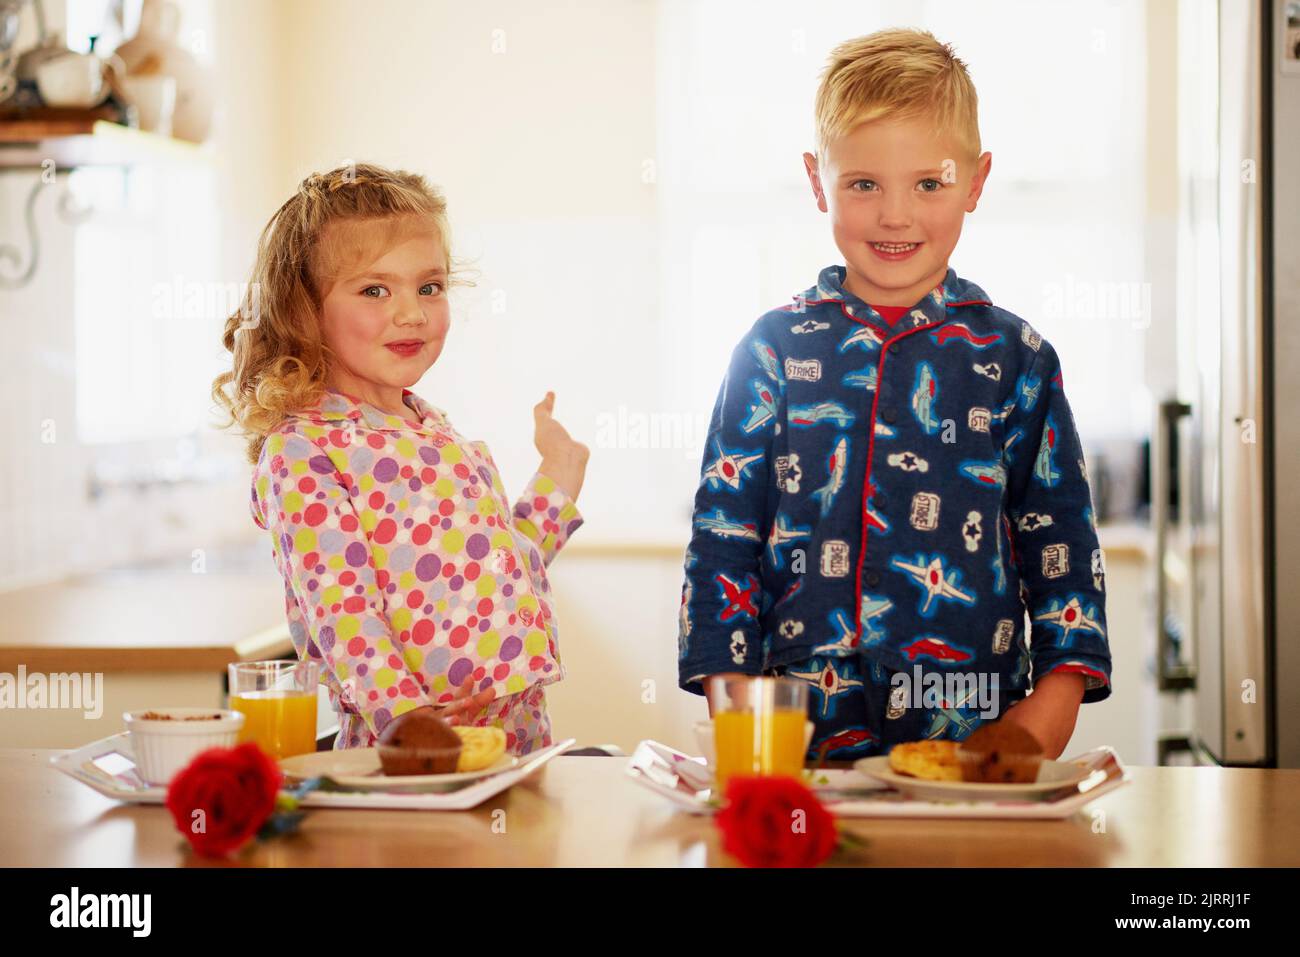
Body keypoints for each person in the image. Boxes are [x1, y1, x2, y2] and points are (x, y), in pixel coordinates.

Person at [677, 28, 1111, 762]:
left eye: (929, 184)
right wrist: (734, 707)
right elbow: (723, 540)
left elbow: (1062, 543)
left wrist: (1044, 716)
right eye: (864, 183)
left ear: (975, 182)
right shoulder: (769, 350)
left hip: (976, 739)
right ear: (819, 181)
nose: (896, 215)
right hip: (800, 739)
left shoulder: (1018, 358)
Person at [213, 163, 589, 755]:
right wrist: (411, 721)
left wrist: (557, 479)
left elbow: (494, 570)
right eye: (374, 290)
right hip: (409, 762)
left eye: (429, 287)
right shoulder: (307, 450)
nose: (411, 312)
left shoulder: (430, 427)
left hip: (514, 742)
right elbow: (345, 614)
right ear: (304, 311)